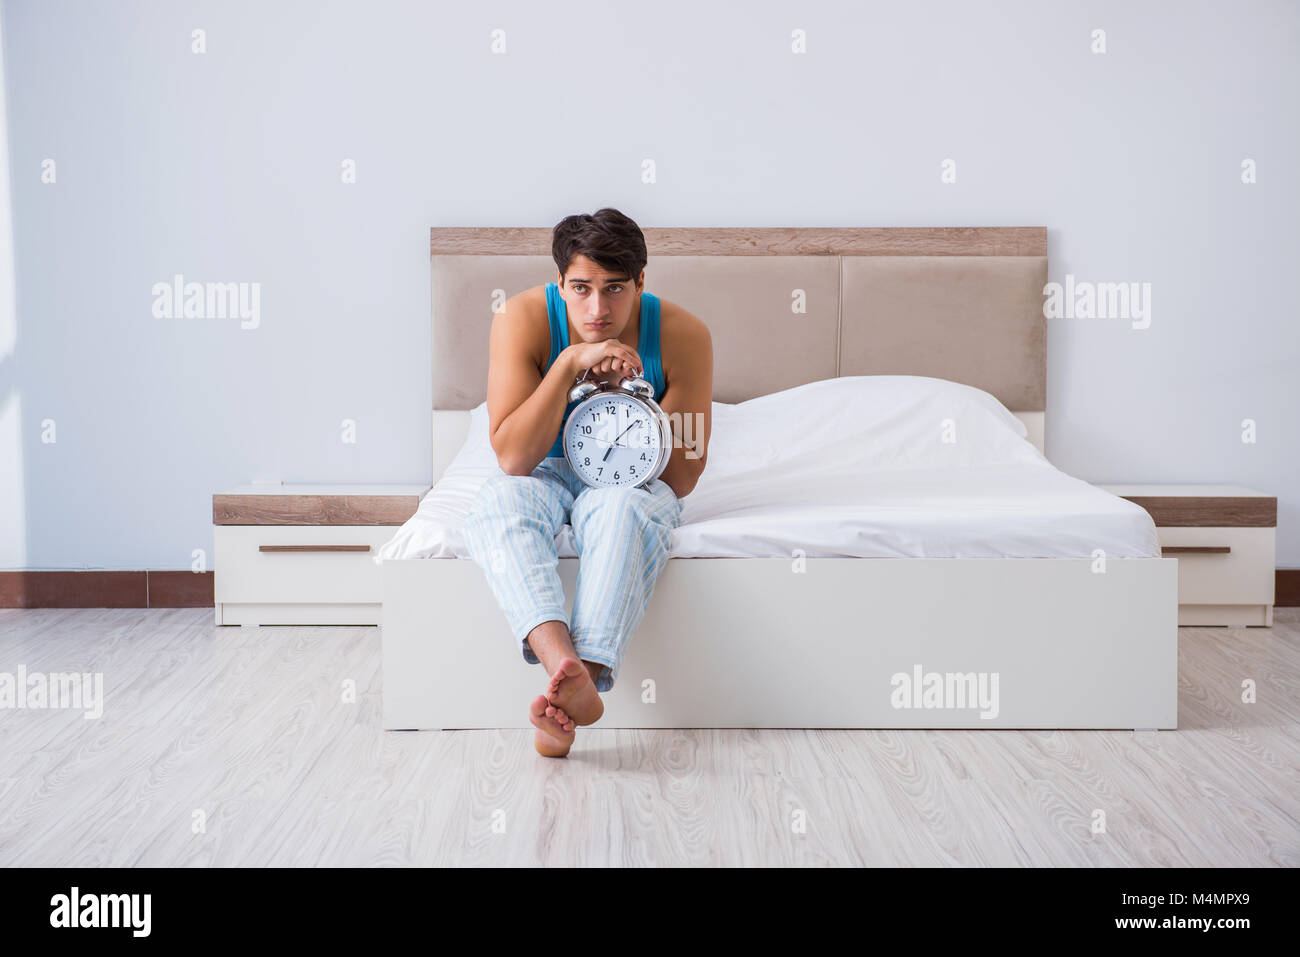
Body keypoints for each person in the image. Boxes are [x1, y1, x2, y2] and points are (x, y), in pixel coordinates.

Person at [462, 208, 713, 757]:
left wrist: (636, 397)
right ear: (560, 283)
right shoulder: (520, 319)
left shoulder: (684, 334)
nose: (597, 309)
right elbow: (513, 458)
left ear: (642, 282)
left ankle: (578, 682)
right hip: (545, 471)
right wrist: (570, 363)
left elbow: (684, 473)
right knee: (499, 505)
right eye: (580, 289)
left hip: (636, 479)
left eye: (615, 289)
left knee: (620, 510)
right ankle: (566, 672)